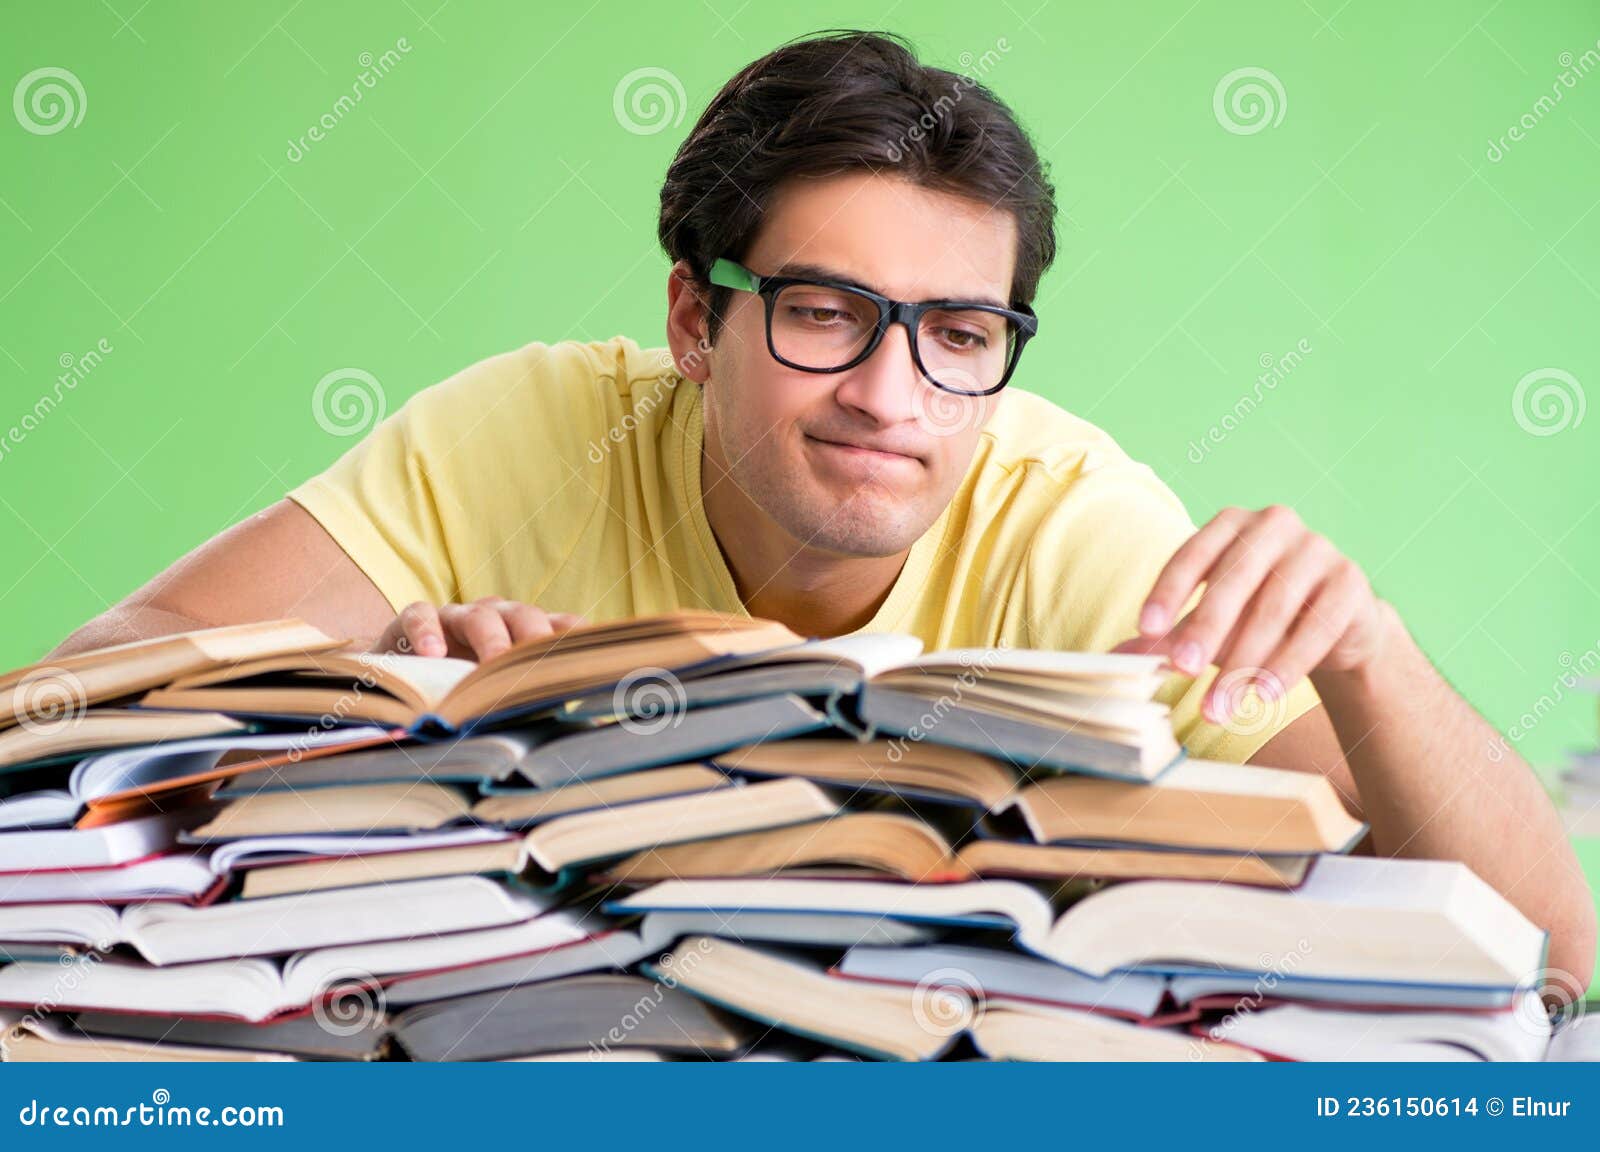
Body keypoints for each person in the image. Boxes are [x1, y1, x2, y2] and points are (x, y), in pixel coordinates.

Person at [51, 31, 1594, 989]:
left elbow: (1557, 952)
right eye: (823, 311)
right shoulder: (533, 430)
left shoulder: (1068, 520)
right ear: (691, 318)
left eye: (960, 333)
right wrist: (390, 695)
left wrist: (1373, 655)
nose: (892, 395)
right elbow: (69, 690)